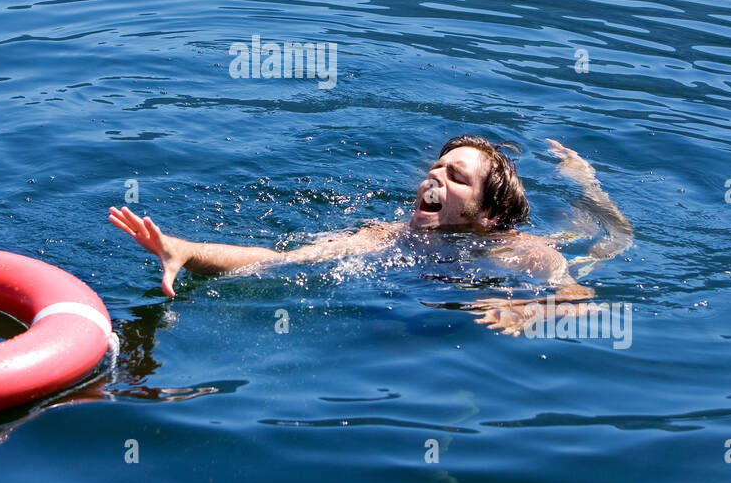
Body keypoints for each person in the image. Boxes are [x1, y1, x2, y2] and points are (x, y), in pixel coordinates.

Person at [108, 135, 633, 334]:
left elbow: (579, 300)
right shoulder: (385, 236)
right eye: (438, 167)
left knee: (602, 234)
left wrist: (524, 311)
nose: (435, 177)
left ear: (488, 213)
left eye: (457, 177)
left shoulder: (521, 251)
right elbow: (278, 259)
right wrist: (185, 250)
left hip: (563, 253)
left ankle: (583, 178)